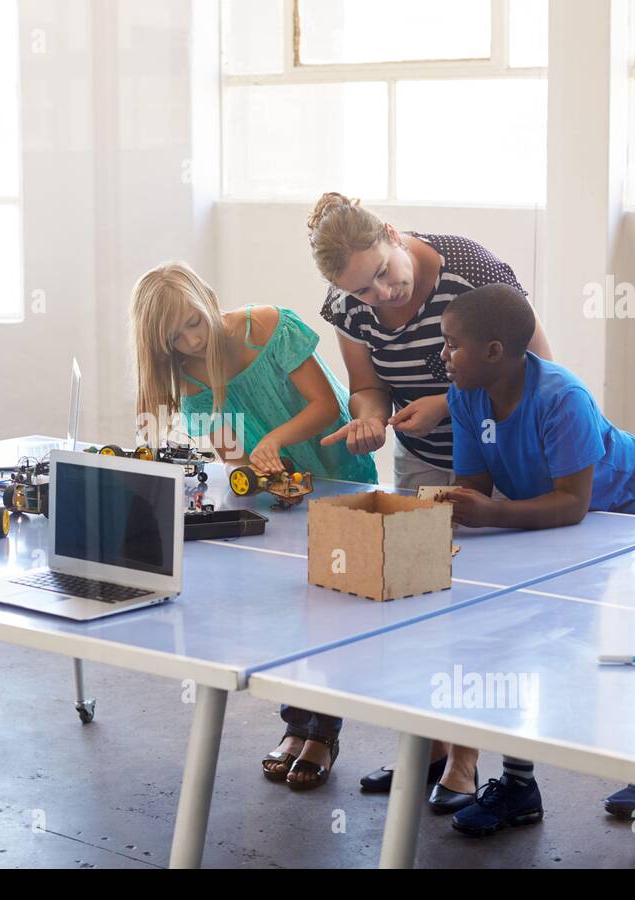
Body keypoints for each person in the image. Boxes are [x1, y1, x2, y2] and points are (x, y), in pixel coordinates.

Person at [307, 191, 555, 808]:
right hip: (421, 461)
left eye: (384, 275)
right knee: (421, 609)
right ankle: (430, 752)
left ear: (393, 233)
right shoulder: (348, 306)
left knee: (483, 618)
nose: (381, 295)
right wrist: (369, 418)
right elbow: (368, 388)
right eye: (364, 291)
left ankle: (467, 763)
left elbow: (540, 367)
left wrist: (450, 403)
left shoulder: (472, 271)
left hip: (498, 453)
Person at [438, 282, 635, 836]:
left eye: (452, 344)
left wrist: (487, 513)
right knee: (501, 638)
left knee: (626, 652)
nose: (443, 355)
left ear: (495, 352)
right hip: (548, 516)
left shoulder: (562, 396)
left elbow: (573, 504)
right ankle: (519, 789)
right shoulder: (464, 395)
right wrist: (459, 505)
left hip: (630, 511)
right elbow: (476, 483)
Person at [129, 261, 375, 790]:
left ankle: (321, 734)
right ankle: (296, 724)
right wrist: (253, 468)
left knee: (328, 611)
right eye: (177, 338)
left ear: (207, 299)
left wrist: (276, 441)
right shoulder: (187, 376)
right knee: (290, 611)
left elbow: (325, 405)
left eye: (196, 322)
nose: (193, 341)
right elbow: (234, 456)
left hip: (336, 474)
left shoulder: (265, 326)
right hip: (281, 494)